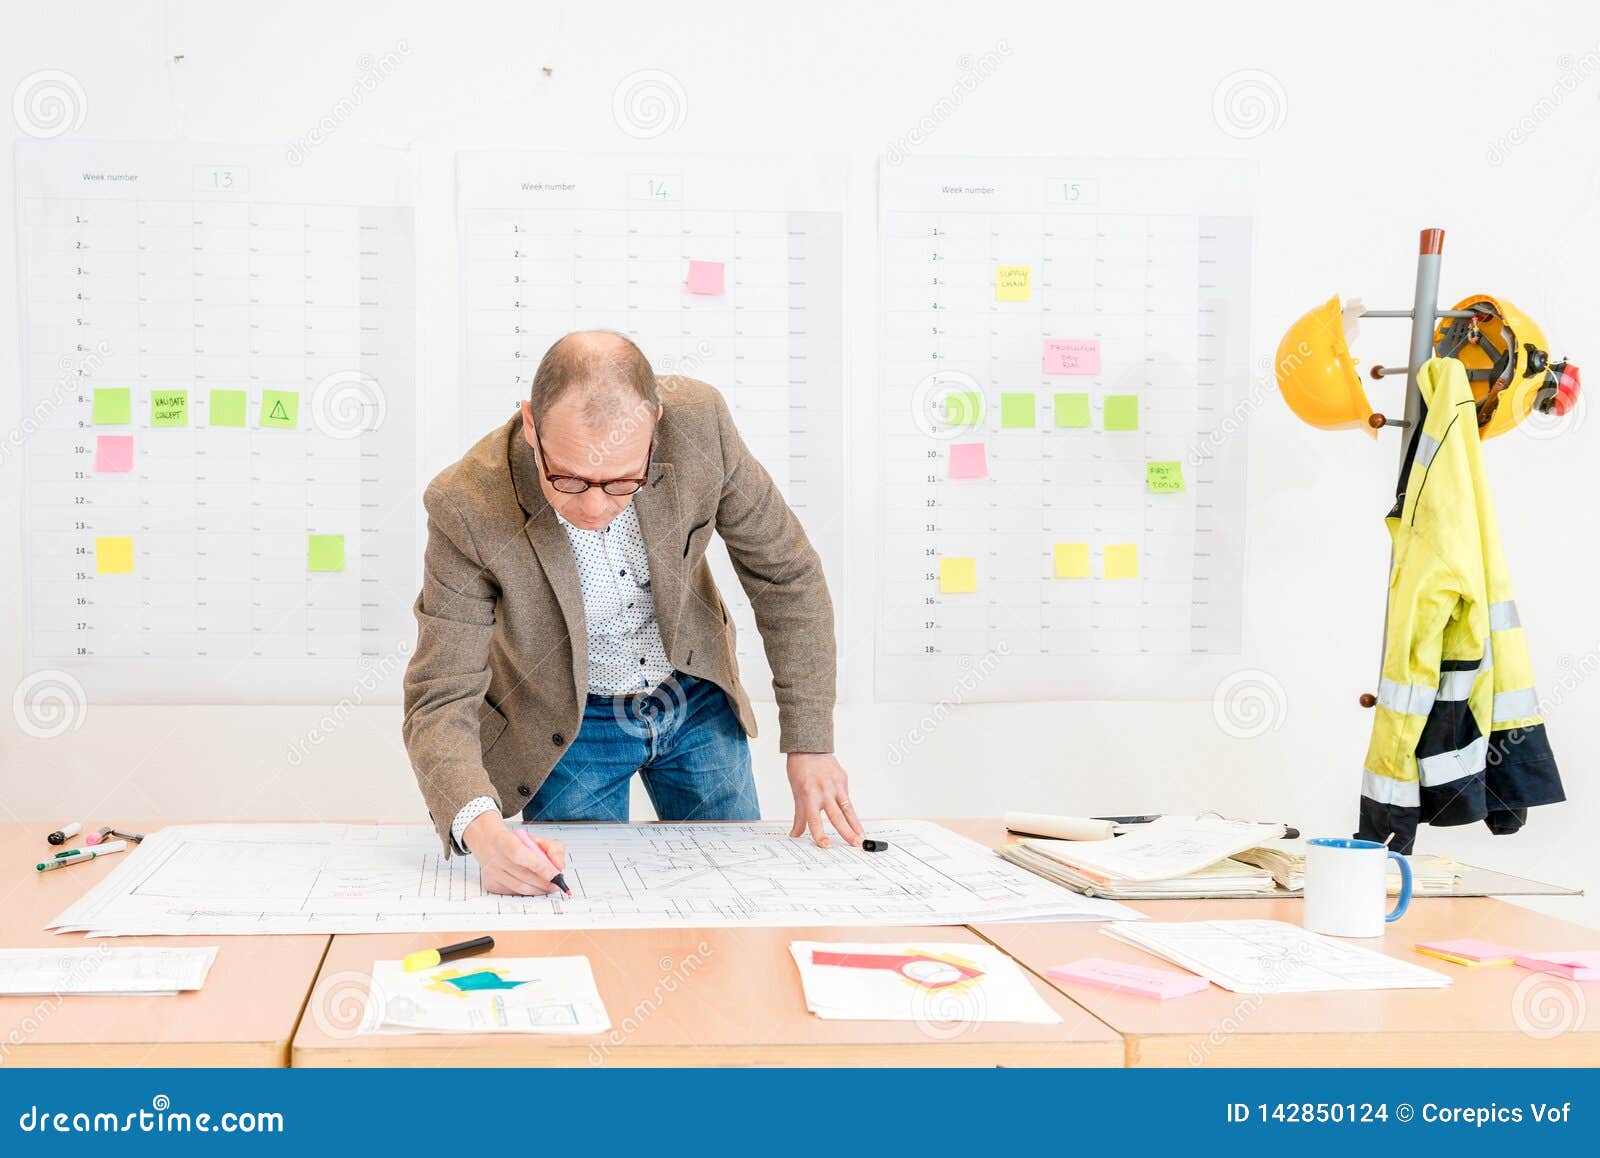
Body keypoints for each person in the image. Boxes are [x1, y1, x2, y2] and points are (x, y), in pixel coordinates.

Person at [402, 331, 861, 894]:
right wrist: (483, 830)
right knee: (587, 906)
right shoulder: (466, 504)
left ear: (657, 426)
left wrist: (811, 741)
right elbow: (441, 693)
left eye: (622, 482)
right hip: (568, 725)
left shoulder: (702, 427)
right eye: (566, 478)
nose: (594, 507)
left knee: (734, 890)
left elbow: (785, 575)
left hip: (694, 698)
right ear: (530, 422)